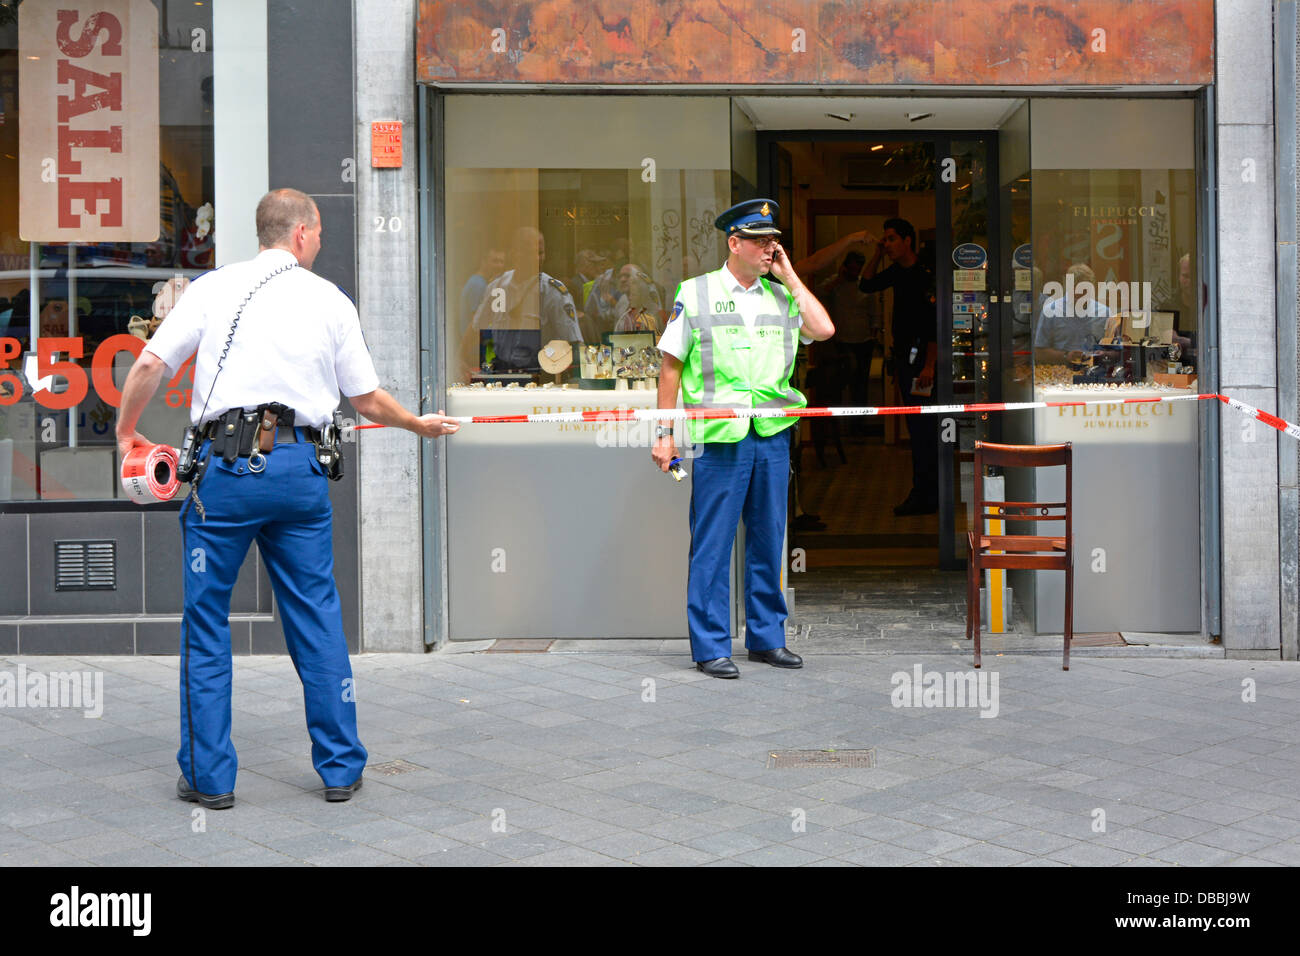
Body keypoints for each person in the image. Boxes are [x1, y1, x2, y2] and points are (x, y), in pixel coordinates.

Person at [115, 188, 460, 809]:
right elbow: (366, 400)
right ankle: (340, 768)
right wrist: (417, 425)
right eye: (320, 232)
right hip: (301, 469)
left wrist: (124, 433)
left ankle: (209, 778)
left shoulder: (214, 289)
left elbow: (148, 367)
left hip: (225, 472)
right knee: (317, 615)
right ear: (300, 234)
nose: (321, 242)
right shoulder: (328, 299)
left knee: (206, 623)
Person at [652, 199, 835, 678]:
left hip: (770, 434)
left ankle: (766, 639)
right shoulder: (695, 293)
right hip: (719, 436)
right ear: (734, 243)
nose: (768, 248)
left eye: (773, 241)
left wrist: (791, 277)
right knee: (712, 543)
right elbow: (669, 368)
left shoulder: (781, 296)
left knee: (769, 539)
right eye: (759, 240)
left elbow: (824, 329)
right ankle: (711, 645)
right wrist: (663, 434)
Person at [857, 218, 938, 516]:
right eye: (885, 239)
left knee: (924, 430)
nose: (887, 244)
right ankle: (924, 492)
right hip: (905, 360)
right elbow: (866, 284)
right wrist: (877, 254)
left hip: (923, 364)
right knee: (917, 430)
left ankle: (927, 494)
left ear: (907, 240)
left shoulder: (925, 275)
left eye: (891, 239)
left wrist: (929, 365)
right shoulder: (896, 272)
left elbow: (934, 326)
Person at [459, 226, 581, 376]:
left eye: (540, 253)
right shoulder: (497, 287)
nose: (537, 258)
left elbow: (572, 342)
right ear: (515, 253)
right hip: (500, 376)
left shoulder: (553, 292)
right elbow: (476, 327)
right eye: (530, 252)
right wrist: (460, 359)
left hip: (538, 379)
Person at [1033, 262, 1111, 365]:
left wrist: (1104, 354)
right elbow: (1039, 353)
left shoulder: (1104, 313)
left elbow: (1115, 351)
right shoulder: (1051, 310)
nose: (1079, 296)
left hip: (1094, 373)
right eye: (1075, 290)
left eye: (1084, 291)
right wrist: (1065, 356)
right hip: (1059, 374)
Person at [459, 245, 506, 336]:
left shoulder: (485, 284)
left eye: (502, 262)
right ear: (484, 261)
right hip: (477, 346)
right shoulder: (478, 285)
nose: (499, 266)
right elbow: (478, 324)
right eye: (495, 261)